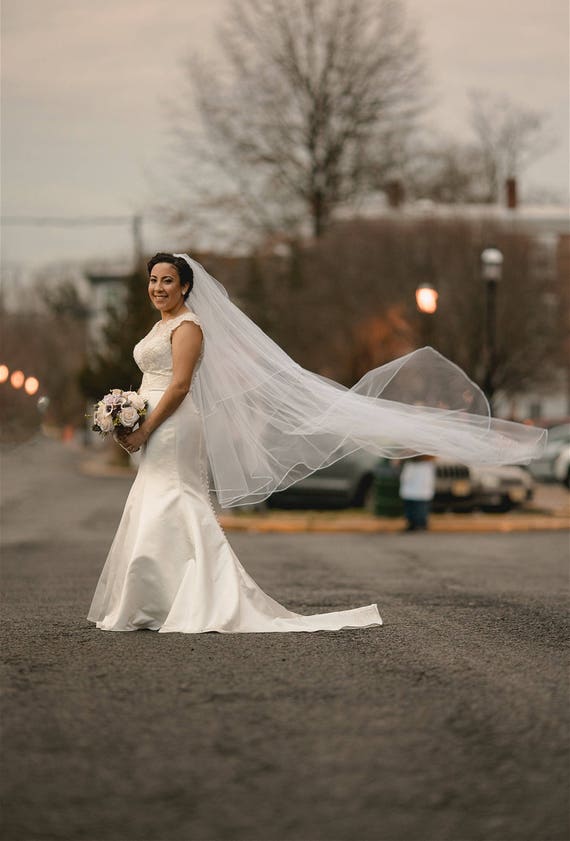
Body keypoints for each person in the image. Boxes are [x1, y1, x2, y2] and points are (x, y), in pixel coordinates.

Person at [87, 253, 546, 634]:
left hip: (175, 421)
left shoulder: (187, 326)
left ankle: (188, 597)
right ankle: (155, 597)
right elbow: (153, 378)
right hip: (153, 418)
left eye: (168, 281)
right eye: (153, 280)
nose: (158, 288)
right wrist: (126, 413)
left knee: (175, 496)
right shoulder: (160, 325)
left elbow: (181, 384)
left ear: (186, 287)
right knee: (156, 496)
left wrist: (145, 427)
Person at [399, 455, 436, 532]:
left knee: (418, 508)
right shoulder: (412, 464)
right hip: (414, 489)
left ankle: (419, 525)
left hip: (419, 488)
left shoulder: (426, 465)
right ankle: (415, 524)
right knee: (414, 508)